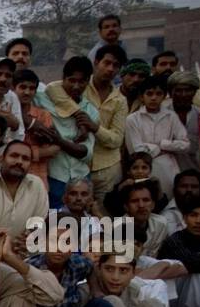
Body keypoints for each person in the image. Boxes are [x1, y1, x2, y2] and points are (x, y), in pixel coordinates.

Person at [36, 57, 98, 209]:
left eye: (81, 82)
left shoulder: (91, 111)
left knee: (82, 224)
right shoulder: (43, 99)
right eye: (71, 80)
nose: (76, 86)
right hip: (54, 175)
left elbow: (85, 152)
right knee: (55, 224)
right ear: (63, 79)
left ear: (88, 82)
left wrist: (57, 140)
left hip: (81, 177)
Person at [124, 75, 188, 197]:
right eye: (149, 93)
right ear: (141, 97)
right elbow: (136, 150)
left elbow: (185, 144)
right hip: (142, 170)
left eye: (158, 94)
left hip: (168, 168)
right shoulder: (133, 119)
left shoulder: (171, 116)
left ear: (164, 96)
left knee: (168, 199)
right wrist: (160, 149)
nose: (154, 98)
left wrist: (164, 144)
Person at [83, 44, 129, 211]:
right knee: (75, 217)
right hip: (78, 164)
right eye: (106, 63)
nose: (110, 69)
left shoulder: (120, 100)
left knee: (104, 217)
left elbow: (116, 139)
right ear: (96, 62)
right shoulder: (80, 88)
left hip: (108, 168)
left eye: (115, 66)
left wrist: (95, 128)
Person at [0, 139, 48, 235]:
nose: (19, 161)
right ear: (2, 159)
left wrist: (24, 242)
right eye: (14, 156)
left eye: (25, 159)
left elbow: (39, 221)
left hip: (23, 248)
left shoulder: (37, 184)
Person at [15, 68, 66, 191]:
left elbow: (55, 149)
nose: (27, 92)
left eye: (31, 88)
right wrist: (39, 152)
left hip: (38, 180)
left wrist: (17, 155)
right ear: (13, 88)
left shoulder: (43, 116)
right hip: (12, 178)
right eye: (22, 87)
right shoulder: (7, 113)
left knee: (47, 211)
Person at [167, 70, 200, 172]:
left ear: (194, 92)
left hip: (196, 172)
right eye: (178, 90)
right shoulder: (160, 115)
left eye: (188, 90)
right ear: (170, 93)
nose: (183, 94)